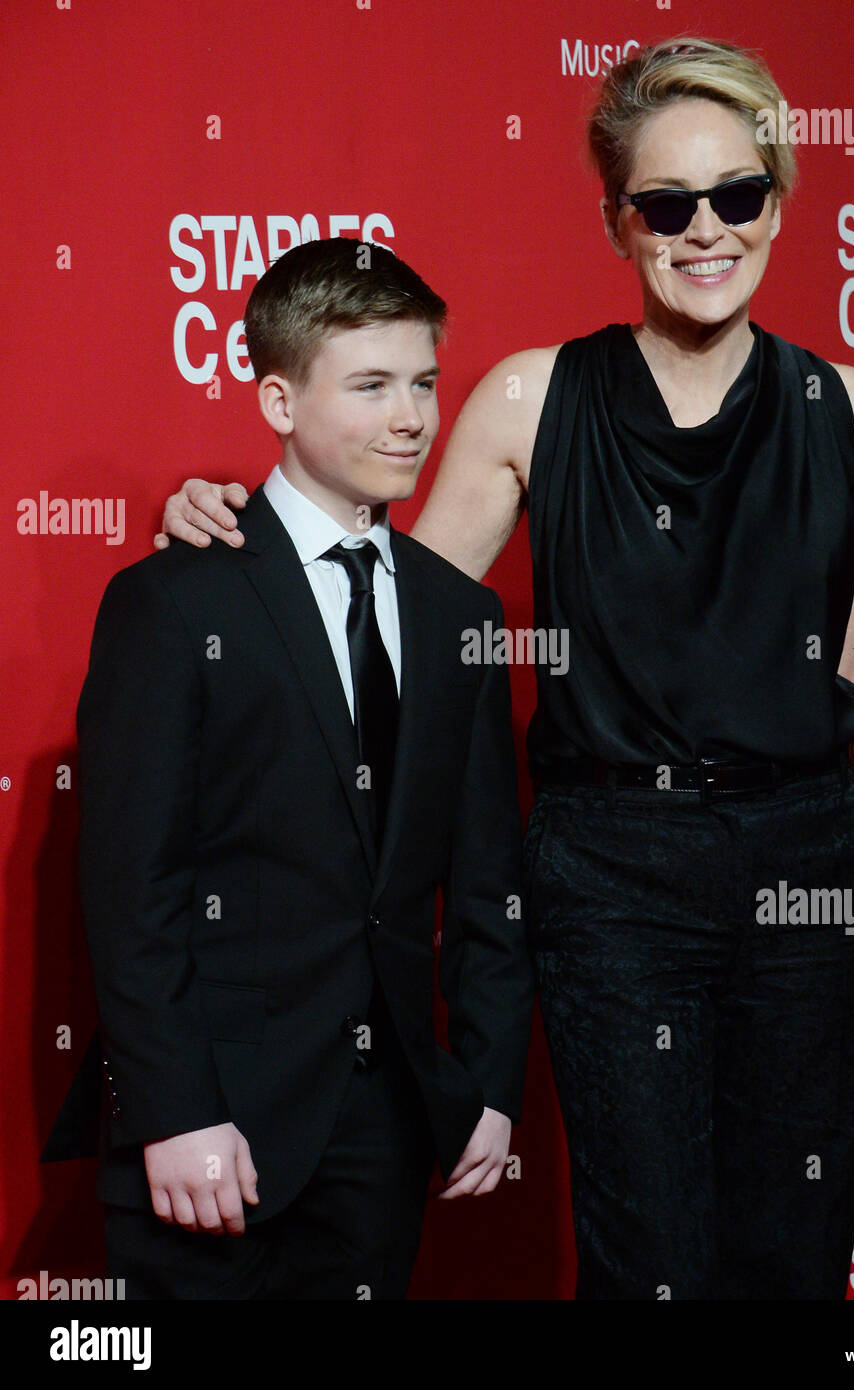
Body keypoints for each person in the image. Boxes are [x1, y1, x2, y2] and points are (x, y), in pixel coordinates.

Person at [158, 37, 854, 1300]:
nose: (705, 232)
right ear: (616, 219)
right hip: (614, 878)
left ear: (779, 202)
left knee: (793, 1261)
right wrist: (229, 523)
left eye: (737, 195)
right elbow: (382, 619)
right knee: (651, 1266)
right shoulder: (531, 399)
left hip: (813, 874)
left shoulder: (847, 407)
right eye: (666, 204)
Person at [45, 236, 534, 1300]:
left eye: (423, 383)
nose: (409, 417)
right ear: (276, 400)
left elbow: (489, 877)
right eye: (369, 386)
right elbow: (133, 886)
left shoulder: (462, 615)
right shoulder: (175, 600)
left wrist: (488, 1086)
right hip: (209, 1128)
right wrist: (172, 1109)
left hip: (388, 1137)